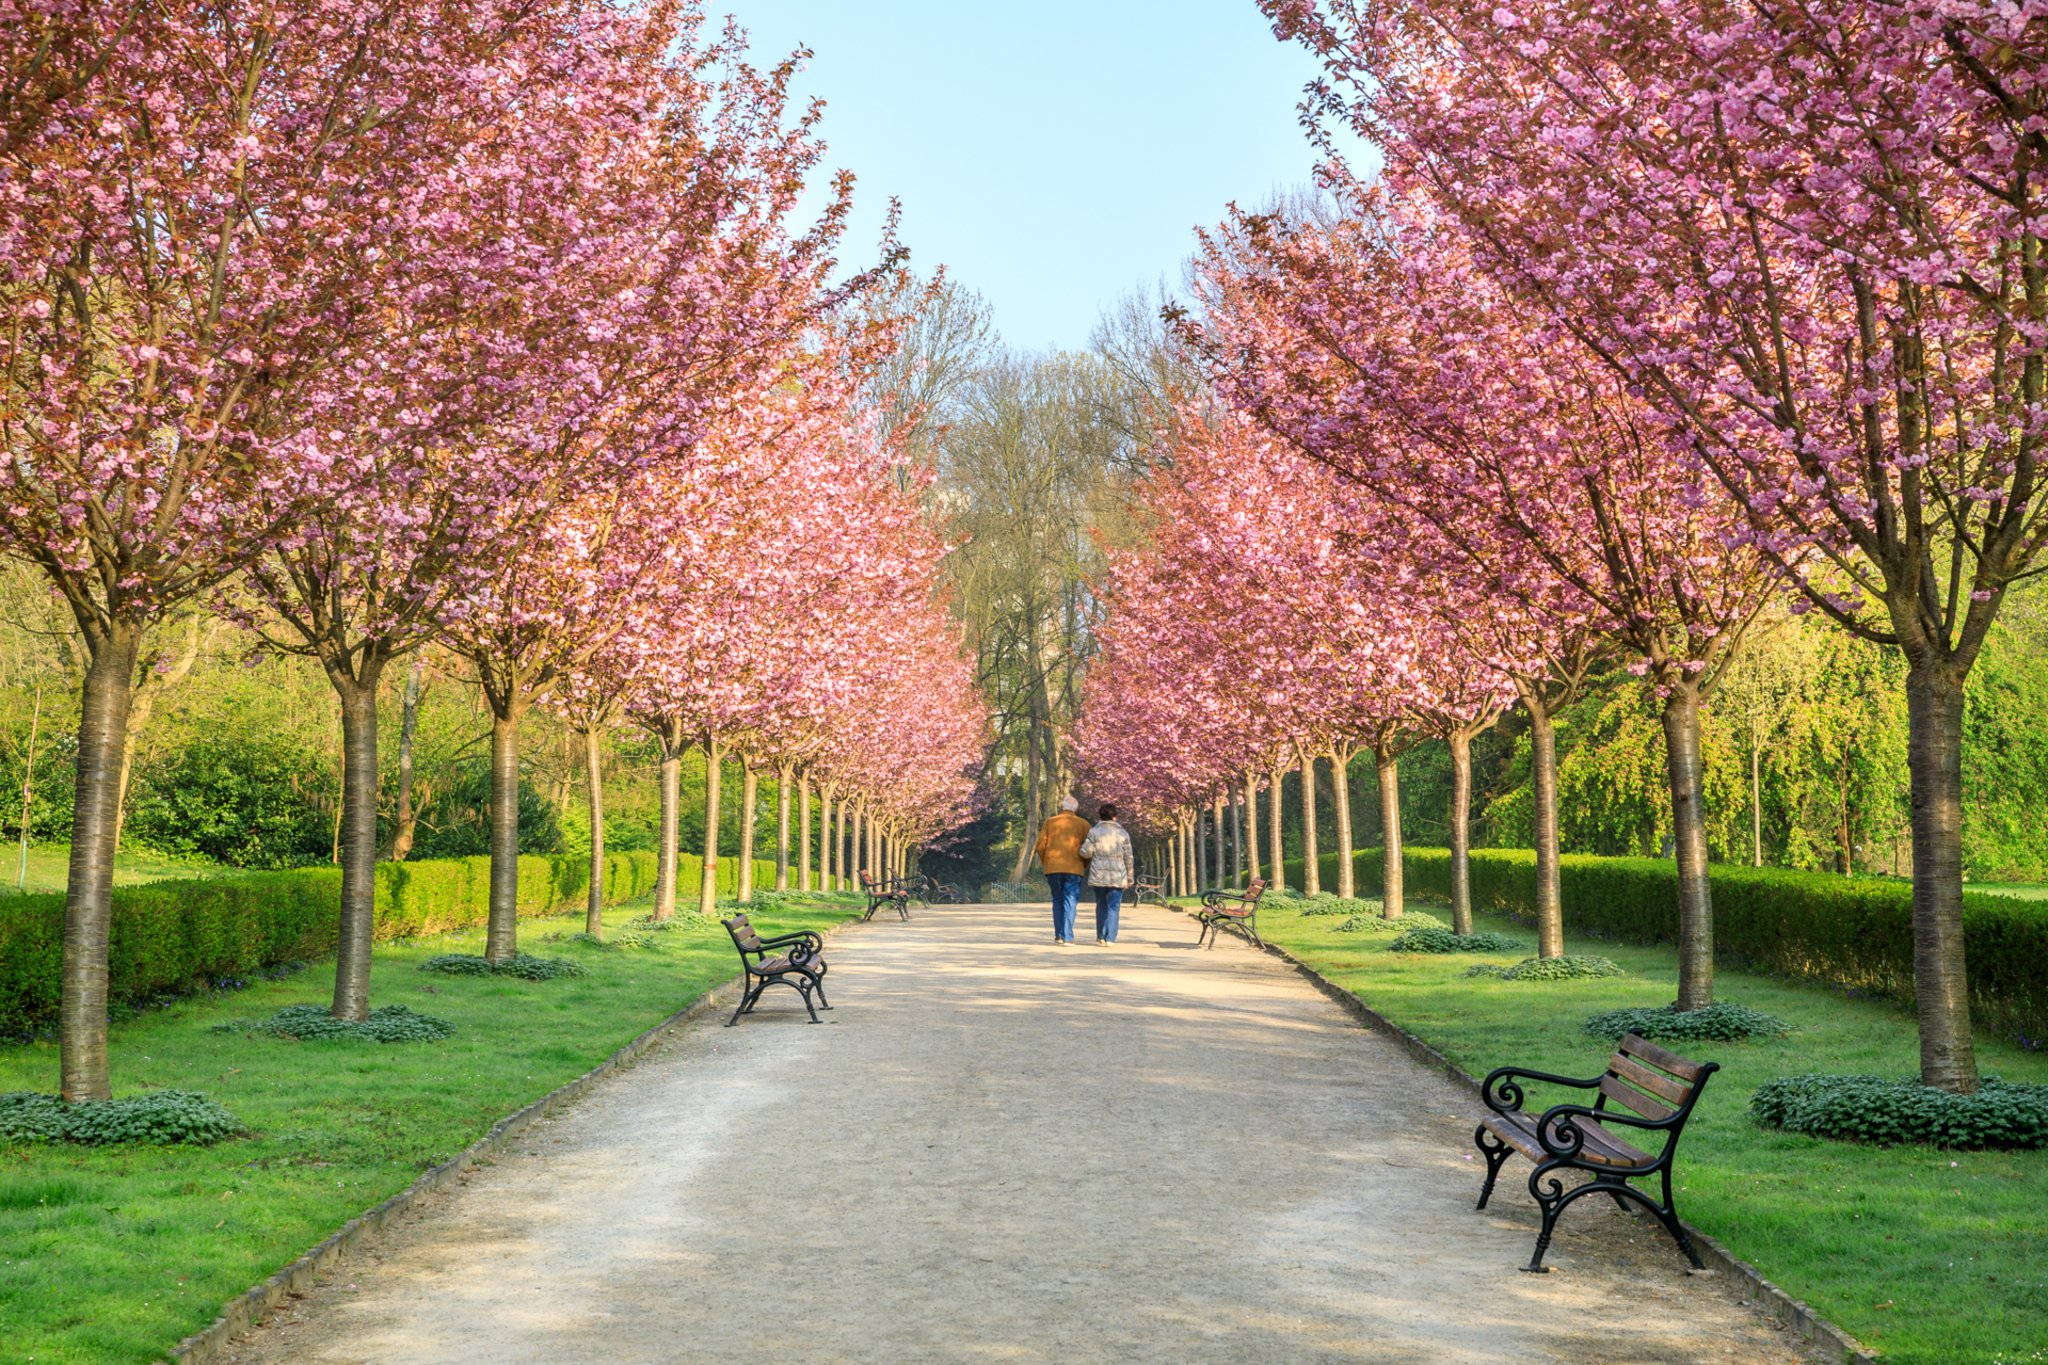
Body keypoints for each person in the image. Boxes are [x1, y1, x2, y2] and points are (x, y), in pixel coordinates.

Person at [1033, 795, 1092, 944]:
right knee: (1070, 900)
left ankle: (1059, 935)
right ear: (1076, 809)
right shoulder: (1084, 824)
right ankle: (1067, 936)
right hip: (1074, 868)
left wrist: (1046, 861)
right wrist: (1084, 864)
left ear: (1062, 807)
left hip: (1053, 867)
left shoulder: (1050, 822)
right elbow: (1089, 848)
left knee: (1057, 900)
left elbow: (1040, 846)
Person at [1079, 803, 1134, 944]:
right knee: (1114, 906)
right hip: (1117, 874)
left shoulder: (1094, 831)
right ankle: (1110, 938)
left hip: (1099, 874)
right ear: (1115, 816)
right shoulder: (1123, 833)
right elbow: (1129, 857)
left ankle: (1101, 936)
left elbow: (1086, 853)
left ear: (1100, 816)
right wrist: (1130, 876)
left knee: (1101, 904)